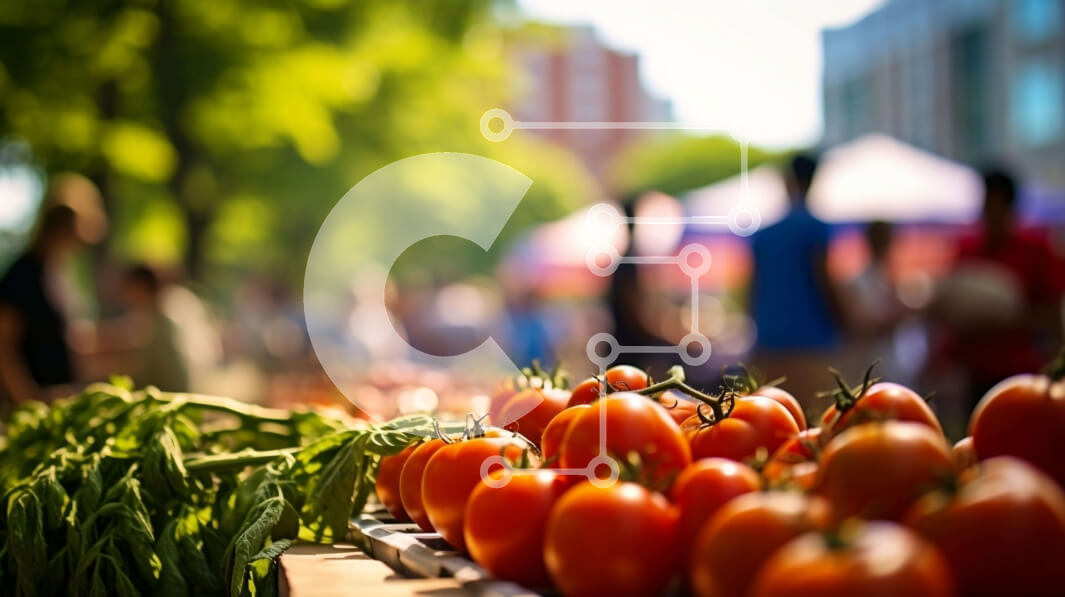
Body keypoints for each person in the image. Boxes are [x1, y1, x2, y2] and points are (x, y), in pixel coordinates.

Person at [937, 169, 1064, 412]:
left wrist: (1056, 361)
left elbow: (1052, 310)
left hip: (1023, 373)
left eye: (996, 204)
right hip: (976, 372)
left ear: (1010, 206)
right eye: (986, 204)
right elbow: (953, 312)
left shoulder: (1036, 249)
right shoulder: (967, 251)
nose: (989, 212)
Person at [0, 174, 106, 405]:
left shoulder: (58, 271)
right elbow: (4, 346)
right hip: (30, 411)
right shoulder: (24, 273)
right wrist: (29, 401)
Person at [749, 154, 844, 411]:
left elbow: (752, 290)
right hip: (812, 345)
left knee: (772, 427)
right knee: (814, 425)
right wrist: (847, 322)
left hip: (768, 344)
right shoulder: (815, 228)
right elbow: (825, 282)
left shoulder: (763, 234)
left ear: (787, 180)